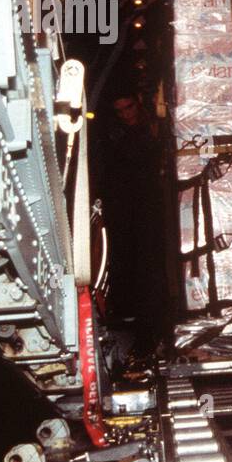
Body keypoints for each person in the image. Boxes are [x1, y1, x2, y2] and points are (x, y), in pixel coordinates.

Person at [99, 90, 169, 362]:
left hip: (152, 211)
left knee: (152, 273)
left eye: (129, 107)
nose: (126, 114)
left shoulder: (152, 127)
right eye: (120, 110)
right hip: (130, 214)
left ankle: (152, 331)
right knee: (139, 274)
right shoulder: (116, 136)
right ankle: (145, 333)